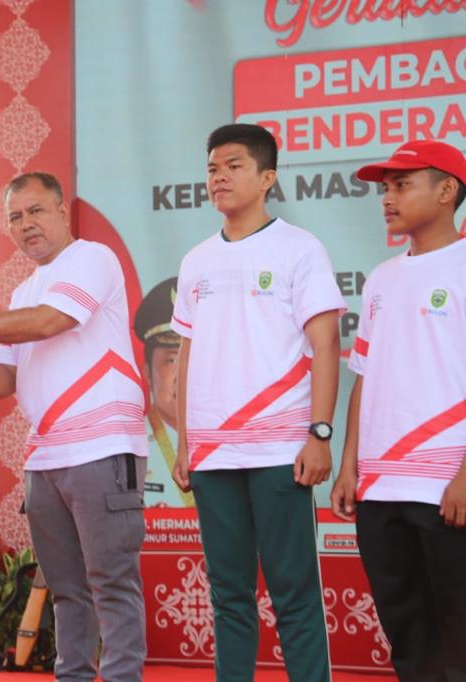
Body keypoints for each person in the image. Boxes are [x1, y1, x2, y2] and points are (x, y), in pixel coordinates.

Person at [0, 173, 149, 682]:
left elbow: (48, 322)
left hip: (101, 449)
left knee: (111, 583)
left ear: (63, 212)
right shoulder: (23, 289)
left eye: (37, 211)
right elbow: (8, 375)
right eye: (16, 217)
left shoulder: (92, 259)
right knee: (67, 589)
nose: (26, 225)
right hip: (46, 458)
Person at [170, 124, 345, 682]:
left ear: (267, 178)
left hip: (280, 448)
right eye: (212, 168)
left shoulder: (300, 249)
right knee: (229, 595)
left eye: (234, 166)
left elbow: (325, 345)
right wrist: (185, 443)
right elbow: (187, 354)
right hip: (214, 453)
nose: (219, 177)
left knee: (294, 591)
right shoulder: (196, 259)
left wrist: (319, 434)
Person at [332, 139, 466, 681]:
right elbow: (365, 376)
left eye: (402, 184)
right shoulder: (383, 278)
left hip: (445, 487)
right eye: (384, 187)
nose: (387, 197)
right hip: (380, 488)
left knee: (458, 633)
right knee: (408, 637)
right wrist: (349, 465)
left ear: (446, 190)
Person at [133, 277, 192, 508]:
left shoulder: (237, 439)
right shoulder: (133, 448)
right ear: (147, 372)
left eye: (194, 358)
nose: (184, 374)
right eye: (171, 360)